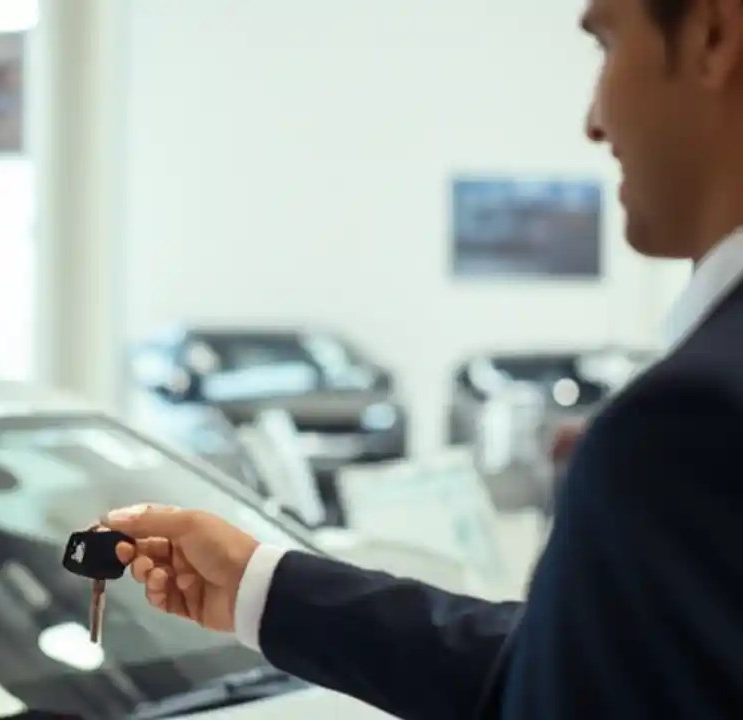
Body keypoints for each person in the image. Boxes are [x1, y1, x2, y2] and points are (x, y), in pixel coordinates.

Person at [106, 0, 743, 718]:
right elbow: (580, 676)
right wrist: (259, 586)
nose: (594, 121)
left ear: (714, 36)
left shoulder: (693, 422)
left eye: (606, 44)